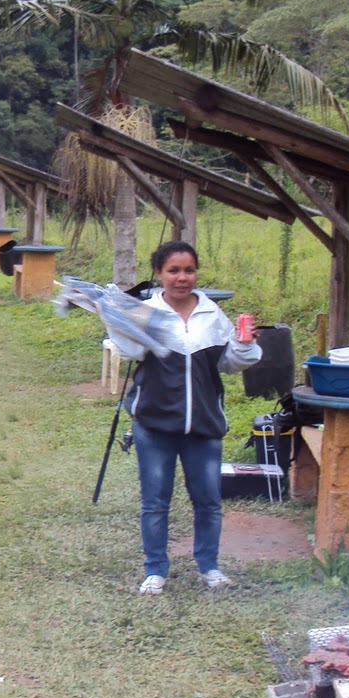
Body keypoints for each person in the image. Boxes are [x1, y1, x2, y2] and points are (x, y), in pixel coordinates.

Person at [108, 241, 260, 595]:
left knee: (208, 501)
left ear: (196, 273)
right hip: (154, 424)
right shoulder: (147, 313)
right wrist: (116, 320)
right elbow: (131, 351)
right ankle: (155, 570)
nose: (181, 278)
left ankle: (209, 567)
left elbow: (229, 364)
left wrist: (245, 345)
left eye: (188, 270)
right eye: (173, 271)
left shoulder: (213, 316)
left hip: (203, 425)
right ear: (159, 274)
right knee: (155, 501)